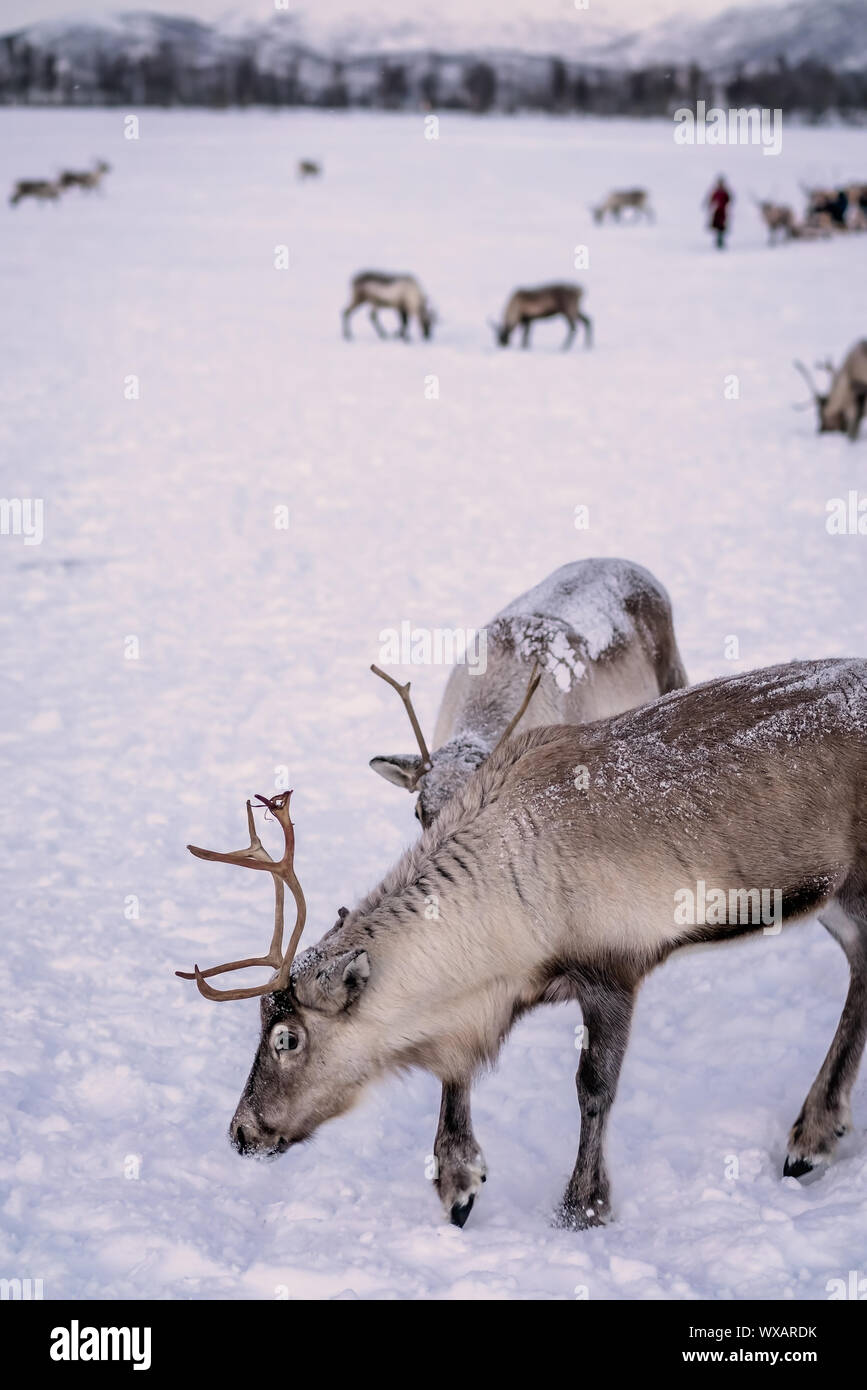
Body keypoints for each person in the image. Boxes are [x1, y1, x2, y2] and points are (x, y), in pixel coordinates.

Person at [706, 176, 733, 250]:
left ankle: (720, 241)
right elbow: (711, 200)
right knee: (717, 227)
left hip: (723, 212)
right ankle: (718, 241)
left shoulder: (725, 192)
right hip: (717, 212)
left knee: (722, 227)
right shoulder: (716, 192)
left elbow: (730, 200)